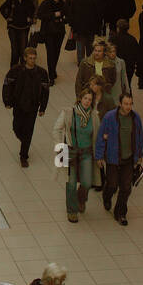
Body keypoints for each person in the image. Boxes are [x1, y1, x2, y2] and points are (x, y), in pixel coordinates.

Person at [95, 91, 143, 226]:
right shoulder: (110, 117)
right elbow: (101, 136)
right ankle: (107, 195)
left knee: (126, 188)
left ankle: (121, 213)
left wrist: (139, 155)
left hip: (129, 159)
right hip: (113, 158)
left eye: (130, 104)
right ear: (120, 104)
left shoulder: (136, 118)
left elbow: (139, 137)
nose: (128, 107)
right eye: (126, 104)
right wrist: (99, 155)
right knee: (112, 184)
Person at [54, 86, 96, 223]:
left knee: (87, 182)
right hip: (70, 150)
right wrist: (59, 145)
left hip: (87, 152)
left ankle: (80, 199)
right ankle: (72, 211)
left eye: (90, 99)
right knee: (71, 182)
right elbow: (57, 129)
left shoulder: (94, 116)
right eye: (85, 98)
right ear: (80, 98)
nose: (87, 101)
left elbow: (97, 134)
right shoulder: (69, 112)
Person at [3, 45, 50, 168]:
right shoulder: (15, 71)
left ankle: (24, 155)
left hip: (33, 106)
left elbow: (46, 91)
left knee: (29, 131)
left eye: (34, 58)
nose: (32, 60)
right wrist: (7, 101)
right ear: (24, 58)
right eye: (30, 58)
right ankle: (24, 140)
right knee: (16, 127)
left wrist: (43, 108)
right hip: (18, 105)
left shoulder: (42, 73)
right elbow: (7, 85)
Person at [1, 0, 37, 67]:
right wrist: (7, 18)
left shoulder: (28, 1)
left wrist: (30, 17)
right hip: (13, 27)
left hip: (24, 28)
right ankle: (13, 70)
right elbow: (2, 8)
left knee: (23, 50)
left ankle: (23, 69)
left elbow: (33, 9)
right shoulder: (12, 0)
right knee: (14, 50)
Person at [36, 0, 68, 85]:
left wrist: (63, 19)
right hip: (48, 33)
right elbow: (39, 15)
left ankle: (53, 70)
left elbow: (68, 15)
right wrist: (54, 15)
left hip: (59, 32)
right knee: (50, 53)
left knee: (56, 52)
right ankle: (51, 76)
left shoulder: (63, 4)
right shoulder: (46, 3)